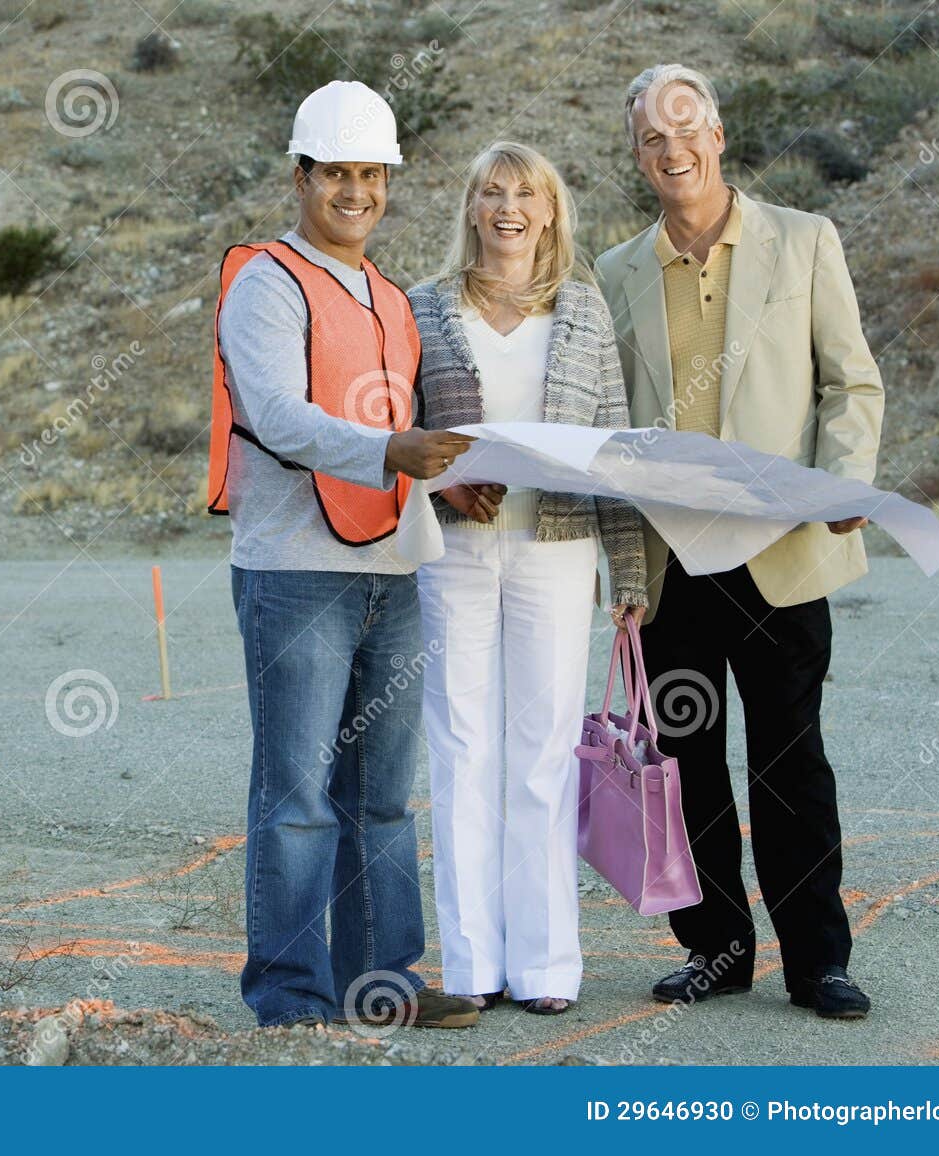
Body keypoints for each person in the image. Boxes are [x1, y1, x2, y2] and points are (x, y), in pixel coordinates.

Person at [593, 63, 884, 1019]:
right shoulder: (614, 272)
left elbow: (852, 384)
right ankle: (716, 950)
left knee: (791, 760)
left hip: (782, 553)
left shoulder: (804, 242)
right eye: (651, 137)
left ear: (717, 135)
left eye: (687, 127)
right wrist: (624, 568)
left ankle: (818, 963)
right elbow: (611, 428)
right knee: (688, 765)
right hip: (675, 566)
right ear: (639, 157)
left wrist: (843, 475)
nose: (672, 148)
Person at [209, 81, 479, 1030]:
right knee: (297, 800)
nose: (355, 190)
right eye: (337, 172)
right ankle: (290, 1000)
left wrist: (443, 478)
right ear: (302, 175)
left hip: (392, 569)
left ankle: (383, 987)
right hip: (295, 574)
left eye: (371, 173)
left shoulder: (393, 300)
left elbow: (394, 424)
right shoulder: (265, 286)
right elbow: (280, 417)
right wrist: (391, 452)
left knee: (382, 802)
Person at [409, 141, 647, 1016]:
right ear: (472, 208)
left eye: (527, 194)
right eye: (492, 192)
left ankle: (547, 969)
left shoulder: (583, 313)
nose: (509, 207)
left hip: (558, 551)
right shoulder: (422, 308)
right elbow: (398, 434)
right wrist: (441, 485)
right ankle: (471, 967)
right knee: (462, 749)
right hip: (455, 553)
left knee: (545, 753)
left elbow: (612, 450)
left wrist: (627, 570)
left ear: (550, 213)